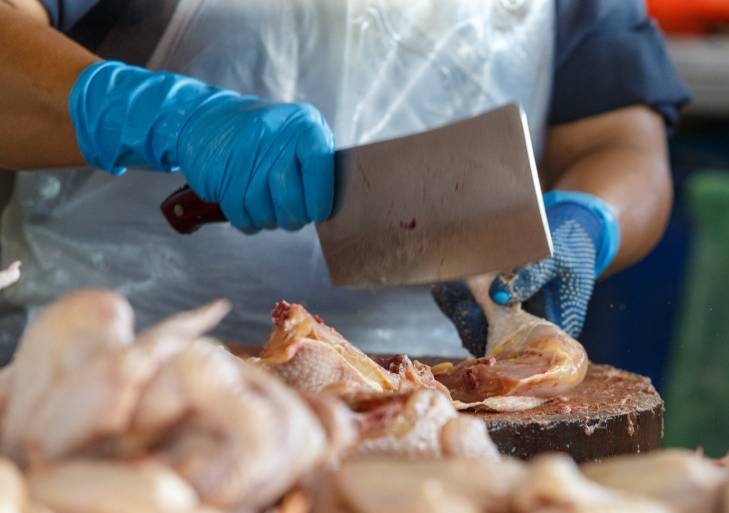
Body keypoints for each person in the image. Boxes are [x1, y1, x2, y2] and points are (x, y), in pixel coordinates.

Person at [0, 0, 688, 361]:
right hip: (115, 382)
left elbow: (620, 140)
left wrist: (590, 219)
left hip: (448, 407)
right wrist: (167, 118)